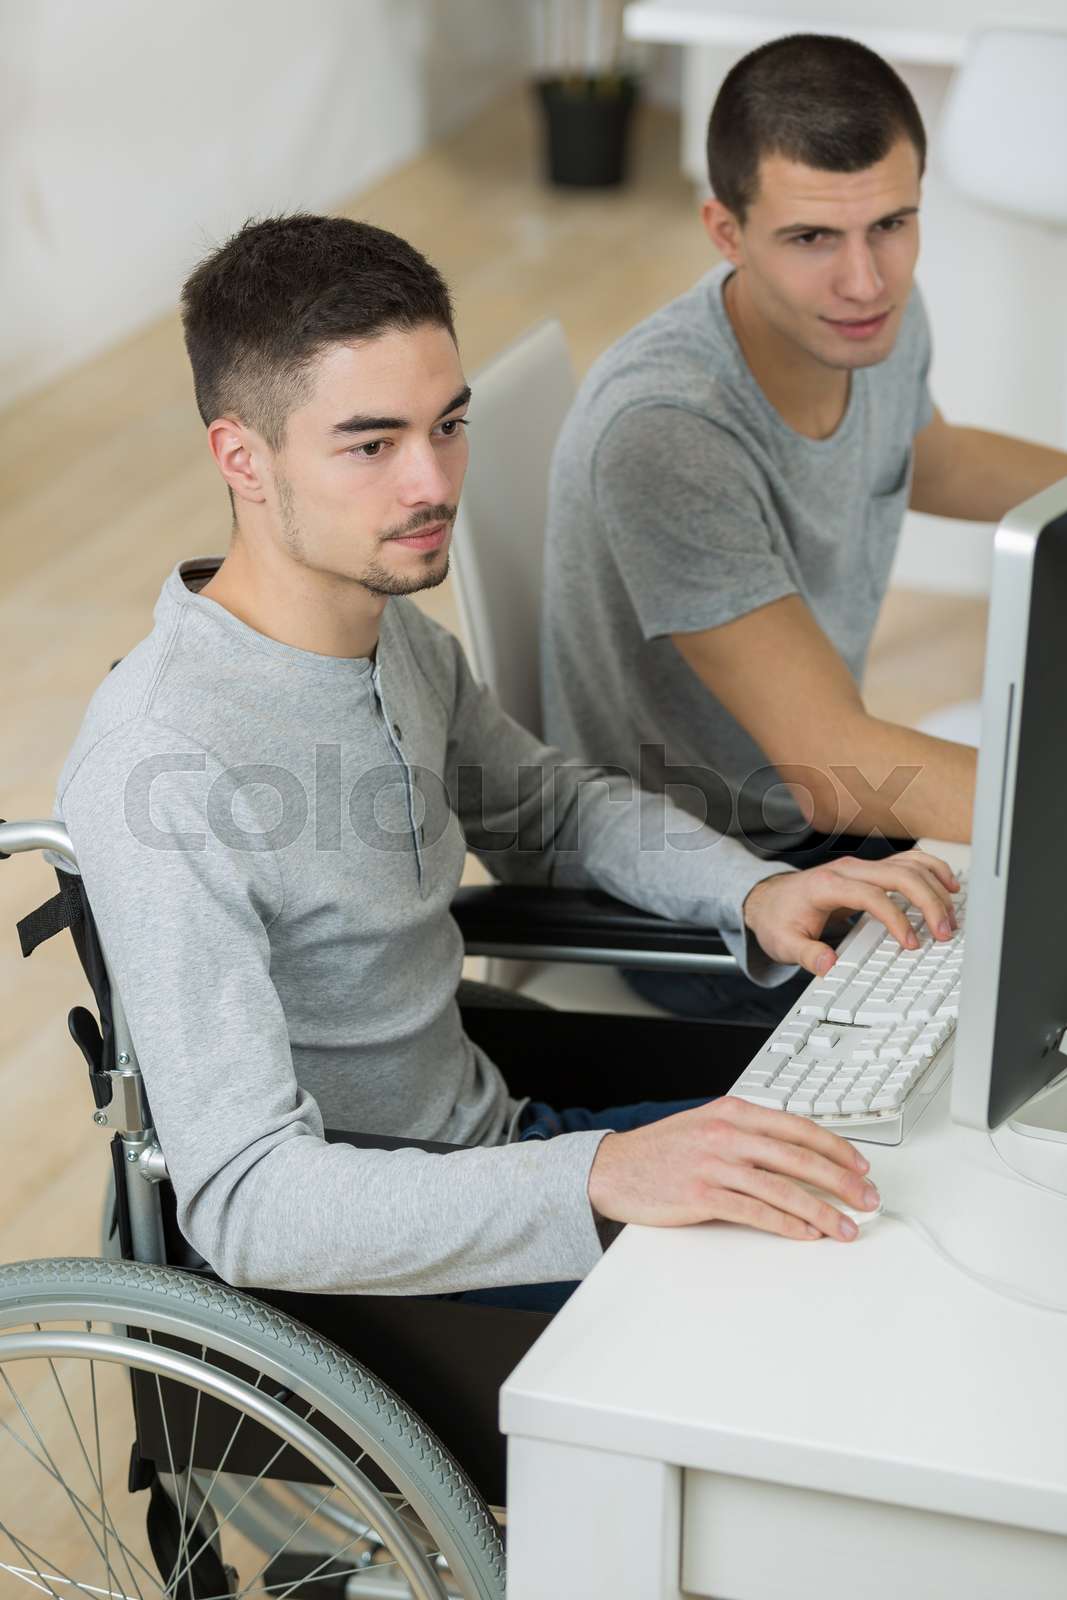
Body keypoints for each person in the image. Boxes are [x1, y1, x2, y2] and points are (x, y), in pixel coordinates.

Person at [56, 214, 958, 1314]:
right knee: (867, 1279)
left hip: (500, 1148)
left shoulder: (392, 637)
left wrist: (754, 889)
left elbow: (550, 810)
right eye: (371, 443)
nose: (431, 483)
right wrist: (600, 1175)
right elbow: (248, 1202)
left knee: (908, 1166)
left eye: (449, 425)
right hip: (387, 1266)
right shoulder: (164, 762)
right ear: (241, 455)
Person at [541, 33, 1067, 1025]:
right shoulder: (668, 429)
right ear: (724, 230)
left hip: (817, 835)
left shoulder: (867, 320)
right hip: (707, 890)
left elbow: (928, 456)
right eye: (810, 239)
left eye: (892, 224)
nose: (864, 279)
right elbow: (832, 766)